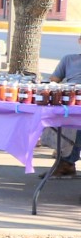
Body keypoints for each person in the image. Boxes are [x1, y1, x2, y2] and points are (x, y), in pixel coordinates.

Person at [48, 34, 81, 176]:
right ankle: (66, 161)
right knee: (55, 117)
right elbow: (54, 80)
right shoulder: (69, 59)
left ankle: (67, 161)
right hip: (70, 99)